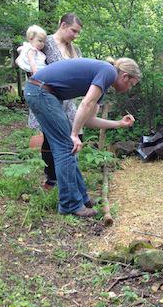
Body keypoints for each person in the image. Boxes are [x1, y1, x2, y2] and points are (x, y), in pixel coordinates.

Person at [24, 57, 141, 217]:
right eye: (131, 84)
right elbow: (85, 104)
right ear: (125, 76)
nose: (129, 89)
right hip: (41, 91)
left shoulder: (104, 83)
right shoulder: (108, 71)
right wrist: (74, 134)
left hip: (42, 92)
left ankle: (82, 199)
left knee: (67, 149)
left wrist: (119, 123)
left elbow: (89, 120)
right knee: (66, 147)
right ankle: (70, 205)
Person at [28, 13, 84, 190]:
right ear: (63, 25)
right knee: (50, 139)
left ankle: (68, 175)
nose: (75, 35)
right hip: (47, 99)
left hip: (68, 102)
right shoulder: (45, 43)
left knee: (76, 135)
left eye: (78, 33)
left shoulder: (75, 50)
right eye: (73, 31)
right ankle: (51, 179)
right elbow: (30, 62)